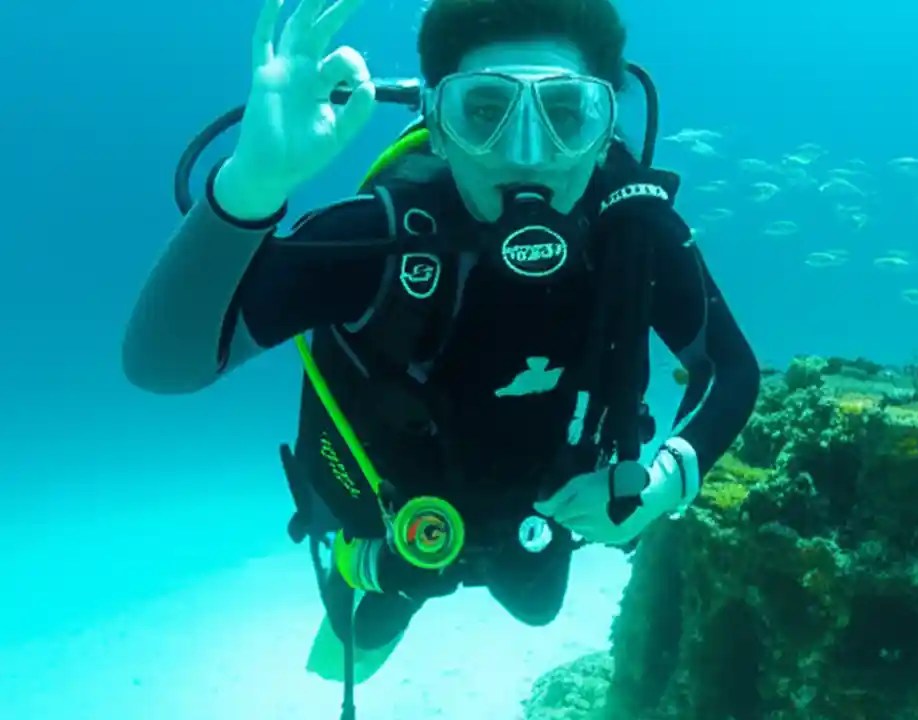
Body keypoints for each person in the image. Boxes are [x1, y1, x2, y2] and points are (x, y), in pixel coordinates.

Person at [123, 0, 759, 691]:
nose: (528, 153)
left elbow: (730, 368)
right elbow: (164, 364)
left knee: (538, 606)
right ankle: (361, 583)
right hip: (392, 513)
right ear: (436, 122)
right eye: (484, 111)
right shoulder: (385, 239)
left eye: (566, 113)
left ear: (605, 129)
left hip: (544, 501)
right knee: (363, 630)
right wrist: (250, 185)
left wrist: (667, 479)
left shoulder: (634, 236)